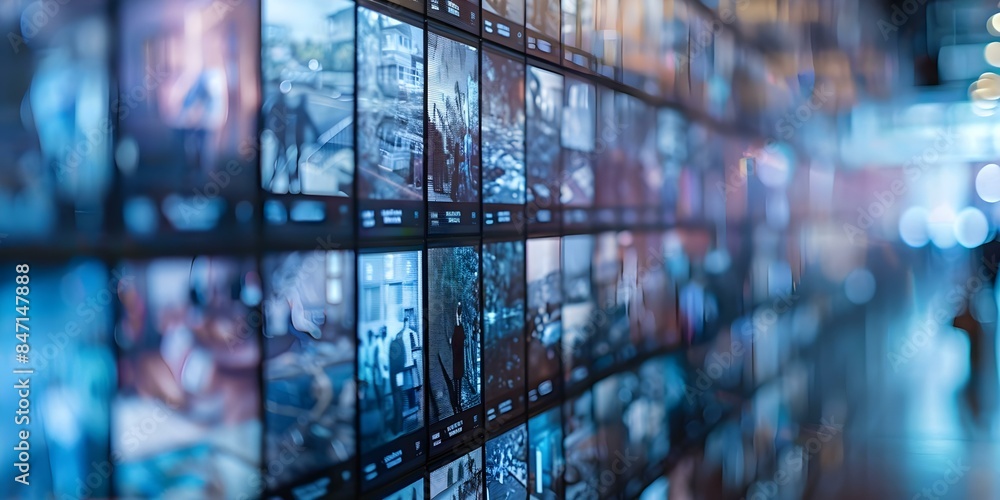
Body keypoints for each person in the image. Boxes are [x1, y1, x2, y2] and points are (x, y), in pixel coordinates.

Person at [389, 319, 408, 435]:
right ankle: (398, 427)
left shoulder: (395, 344)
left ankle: (398, 427)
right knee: (398, 401)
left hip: (396, 376)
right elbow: (402, 360)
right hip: (398, 376)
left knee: (398, 401)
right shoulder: (398, 343)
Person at [450, 303, 467, 414]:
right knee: (456, 382)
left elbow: (463, 339)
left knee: (459, 381)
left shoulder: (460, 328)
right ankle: (456, 404)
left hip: (459, 359)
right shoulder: (455, 329)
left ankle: (458, 403)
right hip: (456, 359)